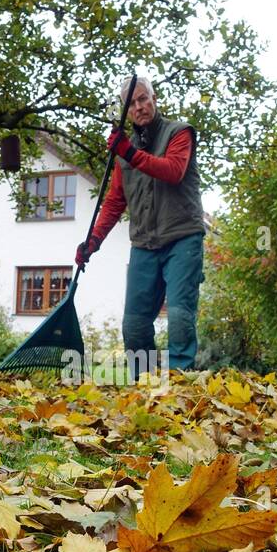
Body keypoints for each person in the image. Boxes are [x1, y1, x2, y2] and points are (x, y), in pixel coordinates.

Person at [76, 76, 204, 378]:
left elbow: (173, 170)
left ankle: (180, 387)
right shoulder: (126, 152)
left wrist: (129, 153)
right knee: (133, 325)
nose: (139, 107)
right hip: (144, 244)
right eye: (132, 103)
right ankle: (145, 383)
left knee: (179, 318)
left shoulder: (179, 133)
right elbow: (114, 201)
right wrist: (92, 241)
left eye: (143, 99)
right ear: (126, 110)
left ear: (154, 98)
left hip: (182, 237)